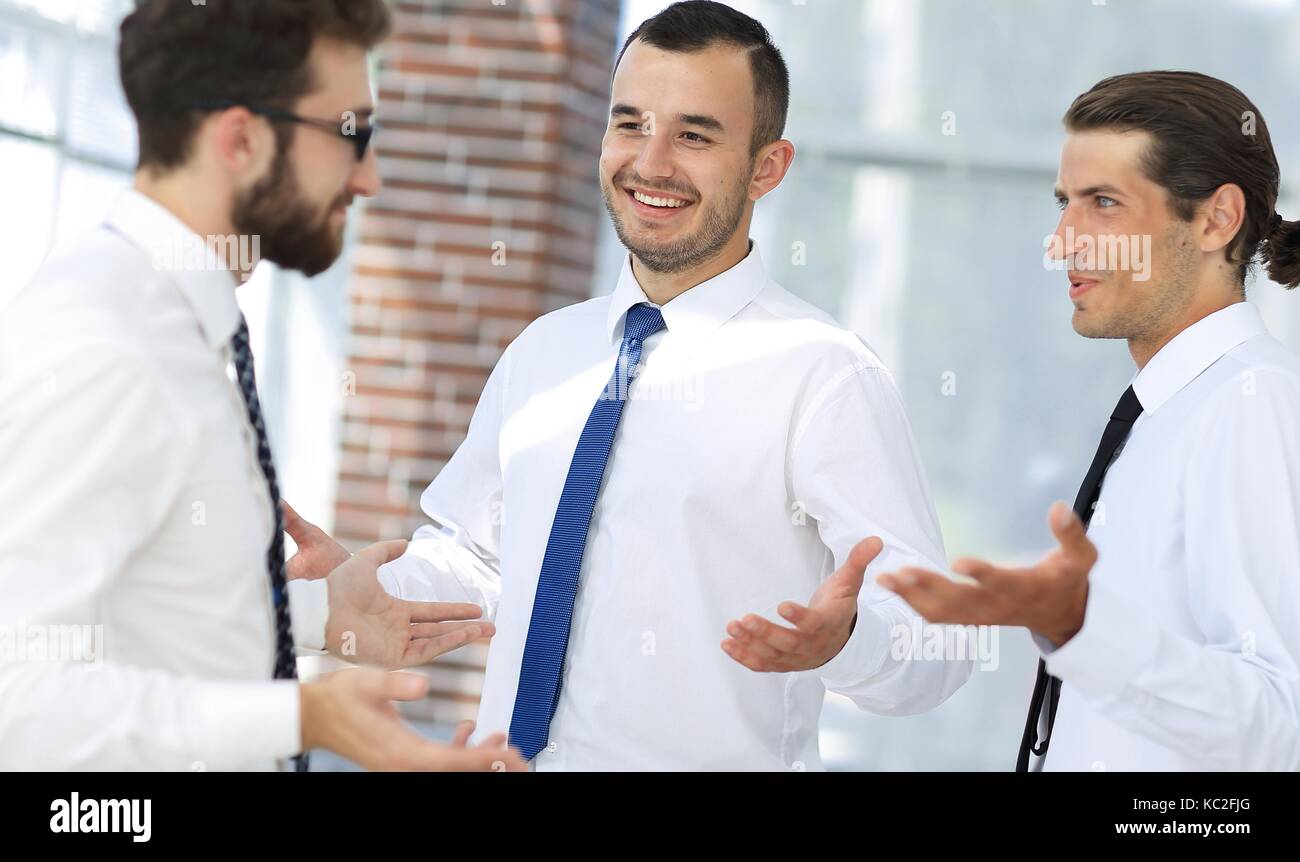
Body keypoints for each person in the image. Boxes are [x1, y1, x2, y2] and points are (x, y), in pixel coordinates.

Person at [291, 0, 971, 770]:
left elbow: (938, 646)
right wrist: (356, 593)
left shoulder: (824, 376)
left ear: (766, 167)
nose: (651, 163)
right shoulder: (546, 352)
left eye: (694, 134)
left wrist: (848, 641)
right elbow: (481, 555)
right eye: (631, 123)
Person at [0, 0, 524, 772]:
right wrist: (303, 714)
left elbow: (146, 616)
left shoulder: (183, 322)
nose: (370, 178)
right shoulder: (105, 341)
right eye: (352, 135)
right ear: (241, 138)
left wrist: (317, 613)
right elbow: (21, 696)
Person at [879, 71, 1300, 771]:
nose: (1062, 242)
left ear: (1216, 220)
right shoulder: (1170, 411)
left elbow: (1284, 723)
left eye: (1103, 203)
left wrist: (1080, 627)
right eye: (1064, 204)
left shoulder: (1252, 408)